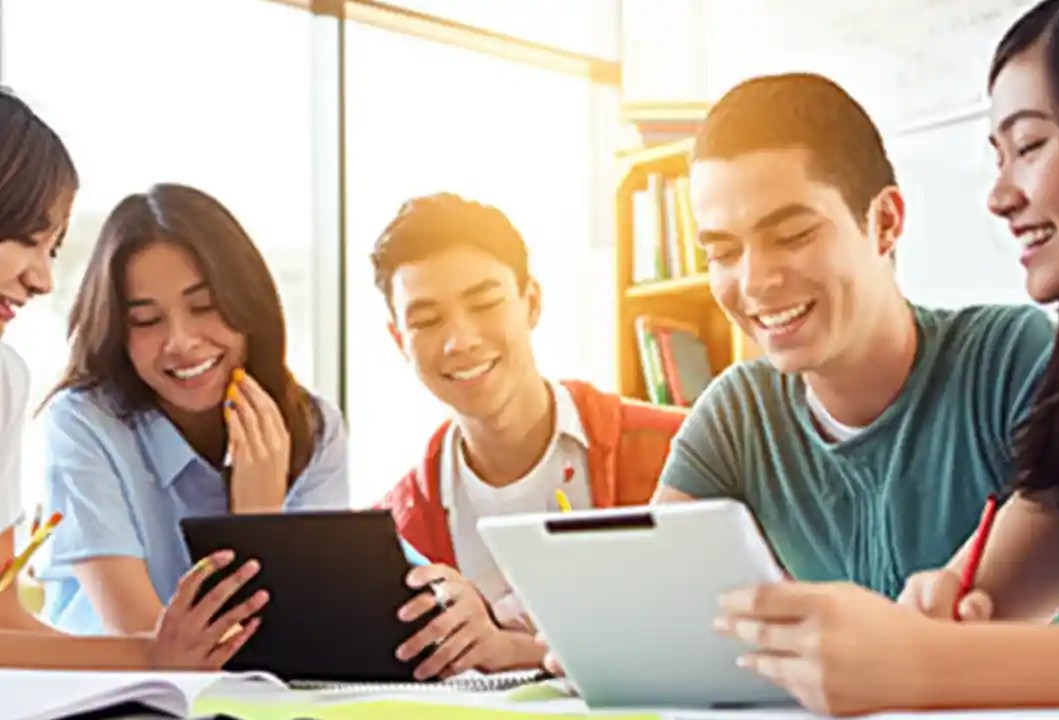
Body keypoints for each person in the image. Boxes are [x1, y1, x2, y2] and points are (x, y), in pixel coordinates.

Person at [713, 1, 1059, 716]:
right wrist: (921, 621)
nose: (999, 196)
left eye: (1030, 146)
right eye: (997, 155)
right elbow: (957, 609)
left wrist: (945, 662)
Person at [648, 73, 1059, 616]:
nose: (753, 283)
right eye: (723, 252)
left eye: (793, 235)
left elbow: (941, 641)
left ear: (885, 222)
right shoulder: (737, 415)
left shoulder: (1011, 358)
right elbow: (650, 589)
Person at [373, 193, 686, 680]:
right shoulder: (393, 528)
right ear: (399, 341)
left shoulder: (678, 452)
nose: (461, 341)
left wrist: (509, 649)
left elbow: (709, 637)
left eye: (485, 303)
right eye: (427, 321)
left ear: (532, 303)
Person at [0, 90, 263, 668]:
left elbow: (3, 625)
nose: (41, 279)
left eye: (53, 249)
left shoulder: (4, 381)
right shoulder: (83, 422)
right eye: (26, 240)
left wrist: (152, 657)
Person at [36, 183, 349, 637]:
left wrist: (259, 513)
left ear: (249, 306)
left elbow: (308, 637)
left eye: (205, 306)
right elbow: (145, 642)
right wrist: (254, 530)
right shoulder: (84, 423)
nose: (180, 341)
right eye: (146, 320)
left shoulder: (315, 428)